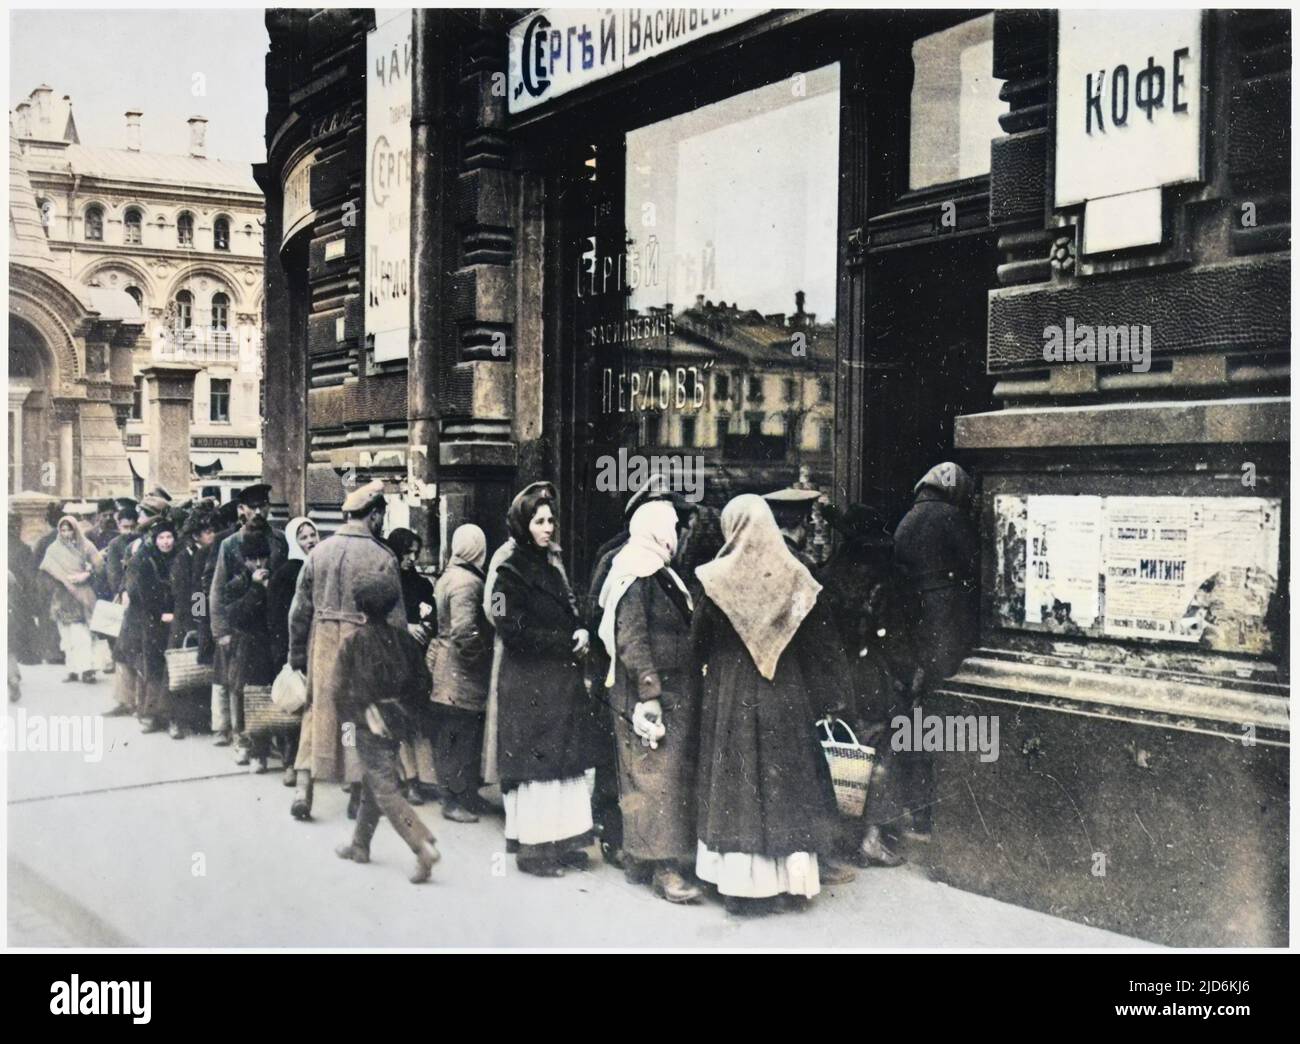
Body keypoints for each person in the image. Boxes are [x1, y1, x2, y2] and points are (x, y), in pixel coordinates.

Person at [691, 494, 857, 914]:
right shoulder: (797, 577)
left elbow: (698, 645)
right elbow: (820, 644)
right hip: (786, 694)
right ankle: (792, 882)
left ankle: (741, 887)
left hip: (731, 696)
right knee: (787, 786)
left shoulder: (715, 580)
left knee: (736, 786)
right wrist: (830, 700)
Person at [598, 499, 702, 903]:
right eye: (672, 525)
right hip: (651, 696)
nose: (676, 534)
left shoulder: (656, 570)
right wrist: (650, 693)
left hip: (667, 692)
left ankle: (641, 858)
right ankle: (665, 868)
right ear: (657, 528)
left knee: (652, 775)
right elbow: (632, 638)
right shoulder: (636, 573)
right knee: (656, 779)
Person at [493, 483, 595, 877]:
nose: (548, 527)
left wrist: (580, 631)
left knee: (563, 762)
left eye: (551, 520)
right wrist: (563, 643)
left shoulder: (549, 566)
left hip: (555, 683)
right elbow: (507, 625)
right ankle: (536, 851)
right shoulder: (508, 572)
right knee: (539, 766)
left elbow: (564, 614)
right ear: (523, 524)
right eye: (539, 521)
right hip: (529, 685)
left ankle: (564, 841)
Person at [288, 480, 403, 821]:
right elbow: (396, 620)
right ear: (374, 516)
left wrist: (296, 654)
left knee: (316, 711)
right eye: (381, 515)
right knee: (356, 717)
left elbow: (298, 611)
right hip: (362, 645)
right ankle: (356, 793)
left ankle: (303, 790)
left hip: (321, 643)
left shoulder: (318, 553)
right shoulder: (383, 556)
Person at [818, 502, 920, 868]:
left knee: (847, 753)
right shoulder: (888, 578)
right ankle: (872, 837)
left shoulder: (831, 573)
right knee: (881, 754)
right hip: (874, 677)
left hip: (840, 676)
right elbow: (896, 639)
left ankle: (845, 834)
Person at [333, 570, 441, 884]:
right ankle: (359, 845)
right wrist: (406, 712)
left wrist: (352, 723)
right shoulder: (404, 640)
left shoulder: (352, 642)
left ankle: (421, 844)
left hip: (368, 722)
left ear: (360, 608)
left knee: (384, 787)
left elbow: (338, 690)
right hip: (399, 720)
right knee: (374, 781)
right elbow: (424, 681)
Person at [892, 461, 979, 838]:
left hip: (913, 629)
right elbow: (976, 565)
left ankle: (917, 810)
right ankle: (943, 814)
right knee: (947, 720)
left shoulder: (908, 520)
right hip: (947, 628)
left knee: (918, 723)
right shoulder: (950, 518)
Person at [209, 485, 288, 762]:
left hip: (272, 624)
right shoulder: (229, 544)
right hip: (241, 624)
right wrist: (221, 632)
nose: (258, 512)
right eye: (251, 507)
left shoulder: (279, 540)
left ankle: (270, 735)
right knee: (240, 686)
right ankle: (242, 738)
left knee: (271, 682)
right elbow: (217, 590)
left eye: (262, 506)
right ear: (241, 510)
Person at [426, 524, 492, 823]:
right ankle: (453, 801)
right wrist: (481, 659)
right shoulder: (468, 582)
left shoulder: (448, 575)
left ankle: (464, 796)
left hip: (443, 663)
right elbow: (465, 631)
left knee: (453, 735)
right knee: (461, 736)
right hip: (460, 672)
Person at [385, 527, 437, 805]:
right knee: (400, 720)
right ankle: (409, 779)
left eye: (415, 553)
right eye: (407, 552)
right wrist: (408, 627)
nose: (412, 558)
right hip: (395, 658)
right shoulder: (389, 584)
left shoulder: (421, 584)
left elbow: (432, 612)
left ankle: (422, 779)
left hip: (417, 659)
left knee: (417, 719)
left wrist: (427, 624)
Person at [268, 516, 319, 787]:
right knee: (294, 708)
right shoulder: (286, 573)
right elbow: (277, 619)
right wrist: (286, 654)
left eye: (313, 535)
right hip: (294, 649)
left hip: (318, 648)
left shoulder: (321, 566)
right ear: (293, 541)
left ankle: (314, 763)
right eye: (304, 537)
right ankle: (291, 763)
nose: (310, 541)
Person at [39, 515, 107, 683]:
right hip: (61, 596)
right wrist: (59, 581)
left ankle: (87, 669)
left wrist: (86, 574)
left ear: (75, 529)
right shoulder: (53, 549)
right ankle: (73, 669)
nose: (66, 533)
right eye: (63, 530)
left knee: (82, 634)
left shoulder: (86, 546)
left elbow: (100, 567)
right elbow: (45, 573)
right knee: (66, 635)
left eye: (69, 529)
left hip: (82, 594)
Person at [132, 517, 184, 735]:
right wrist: (160, 614)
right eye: (161, 538)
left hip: (179, 622)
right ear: (154, 540)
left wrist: (193, 617)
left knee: (177, 671)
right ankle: (152, 716)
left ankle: (174, 719)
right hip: (154, 623)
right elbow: (142, 594)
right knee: (154, 668)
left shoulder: (183, 559)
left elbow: (196, 592)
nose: (165, 542)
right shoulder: (146, 561)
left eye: (169, 537)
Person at [762, 486, 823, 570]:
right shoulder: (799, 561)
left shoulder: (768, 550)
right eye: (810, 521)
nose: (810, 529)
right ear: (804, 520)